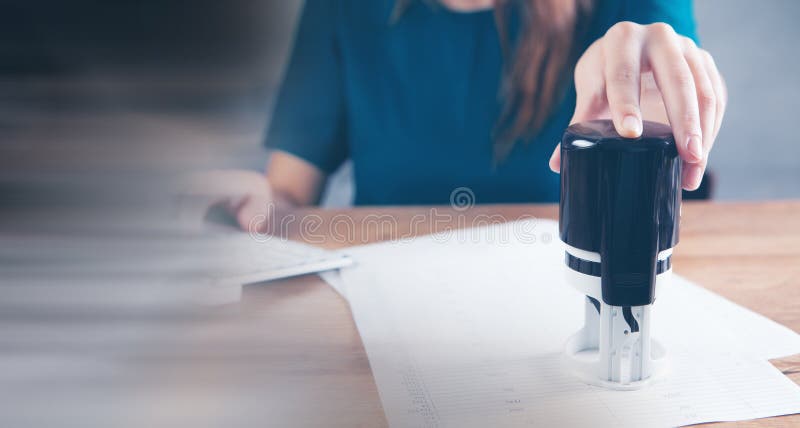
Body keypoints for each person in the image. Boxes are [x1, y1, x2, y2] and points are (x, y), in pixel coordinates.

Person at [195, 0, 725, 232]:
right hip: (382, 311)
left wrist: (648, 97)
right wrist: (261, 202)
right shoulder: (345, 7)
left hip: (564, 313)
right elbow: (289, 194)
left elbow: (669, 75)